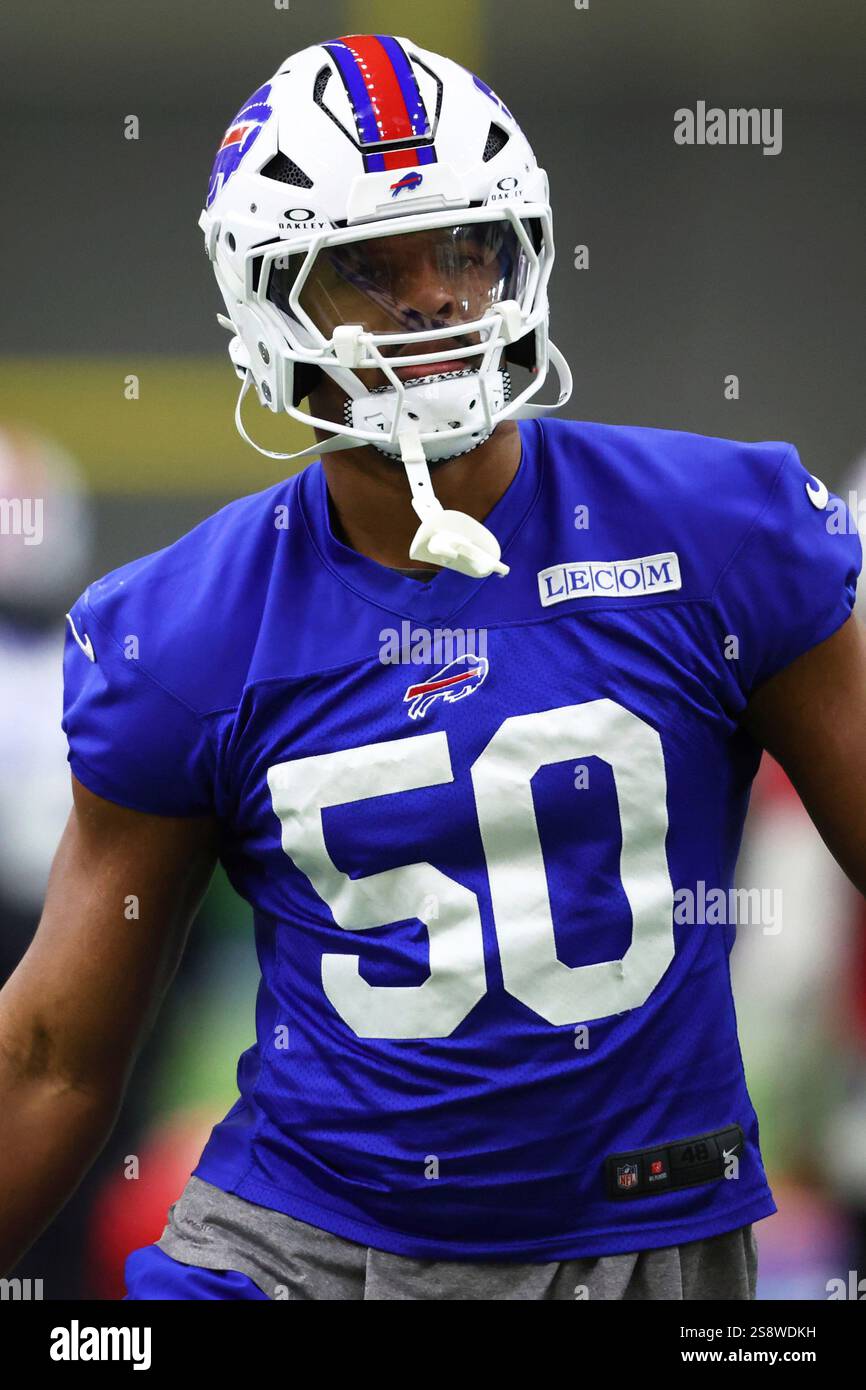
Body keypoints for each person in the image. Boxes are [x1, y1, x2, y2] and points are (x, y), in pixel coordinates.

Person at [0, 33, 863, 1302]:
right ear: (264, 300)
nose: (434, 297)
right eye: (367, 266)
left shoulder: (720, 533)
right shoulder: (183, 627)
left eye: (466, 248)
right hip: (295, 1254)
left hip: (641, 1249)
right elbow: (54, 1056)